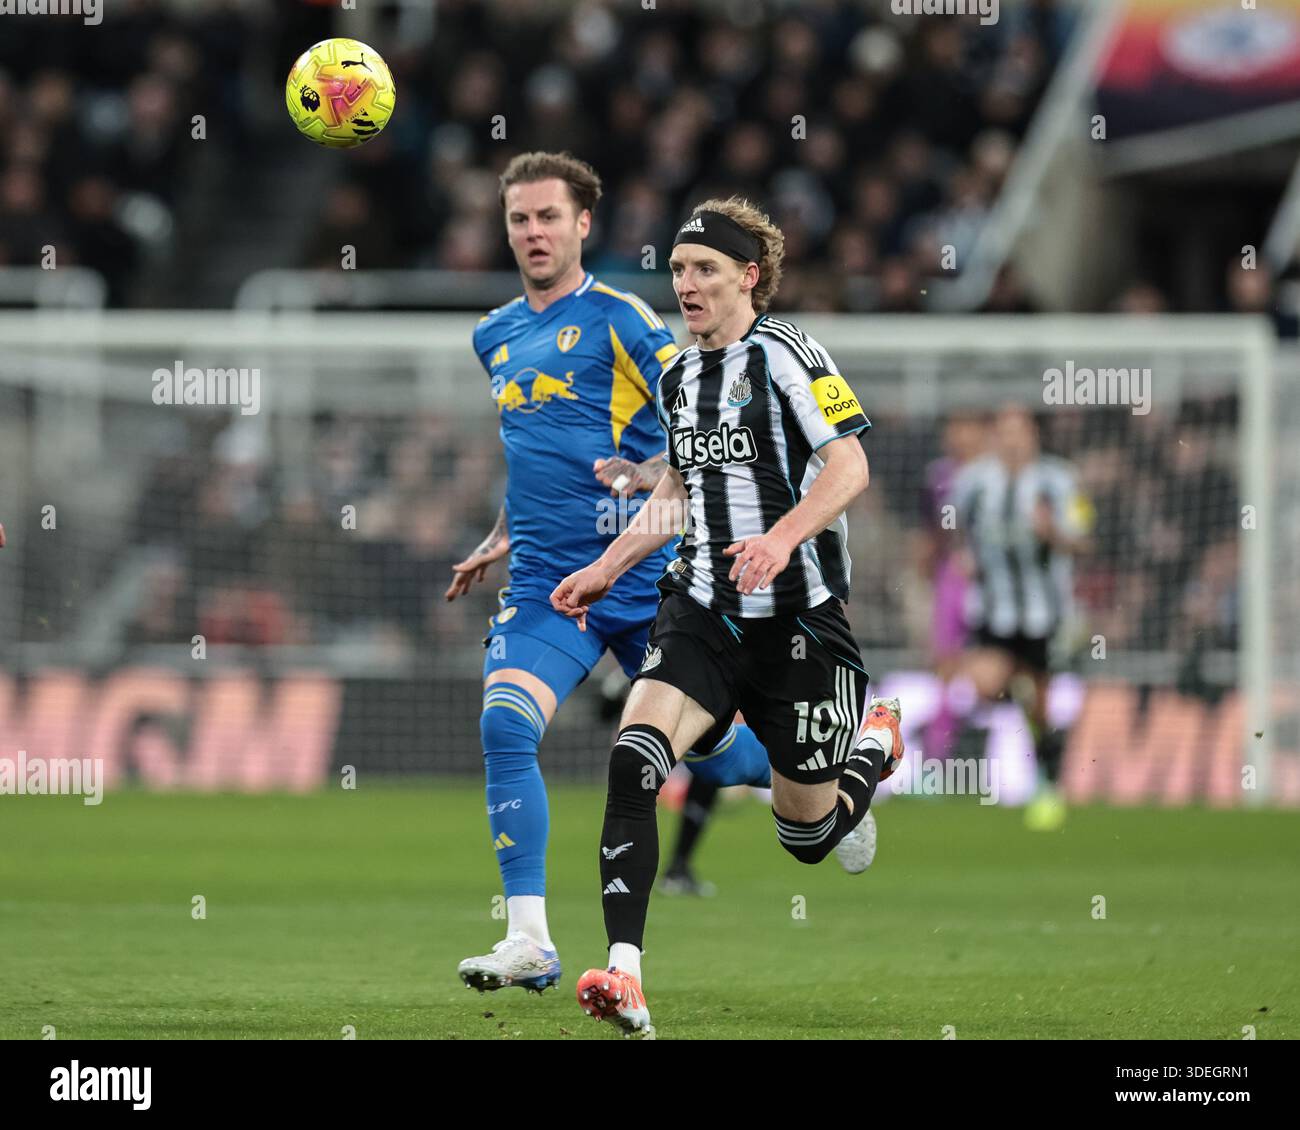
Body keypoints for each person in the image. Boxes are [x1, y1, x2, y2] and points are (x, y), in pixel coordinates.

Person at [551, 198, 903, 1037]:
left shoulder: (787, 354)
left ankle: (875, 747)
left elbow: (850, 465)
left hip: (800, 624)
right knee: (634, 759)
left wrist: (781, 539)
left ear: (749, 276)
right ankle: (626, 975)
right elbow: (679, 491)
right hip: (703, 609)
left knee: (807, 839)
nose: (687, 284)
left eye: (705, 268)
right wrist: (605, 567)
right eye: (678, 269)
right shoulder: (678, 376)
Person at [448, 153, 771, 995]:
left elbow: (698, 422)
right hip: (548, 585)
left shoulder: (623, 319)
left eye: (549, 216)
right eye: (520, 219)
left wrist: (644, 471)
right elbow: (531, 455)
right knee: (505, 725)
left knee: (718, 756)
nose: (534, 232)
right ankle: (529, 940)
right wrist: (500, 534)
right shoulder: (492, 335)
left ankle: (824, 782)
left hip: (644, 578)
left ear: (583, 224)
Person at [948, 403, 1092, 830]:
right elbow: (956, 528)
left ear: (1032, 435)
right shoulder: (973, 482)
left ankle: (1048, 781)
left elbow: (1085, 541)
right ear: (996, 436)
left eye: (1020, 431)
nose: (1012, 440)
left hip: (1043, 614)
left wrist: (1054, 533)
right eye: (1005, 431)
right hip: (992, 611)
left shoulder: (1061, 480)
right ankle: (1020, 730)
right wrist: (966, 557)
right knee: (984, 683)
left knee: (1039, 705)